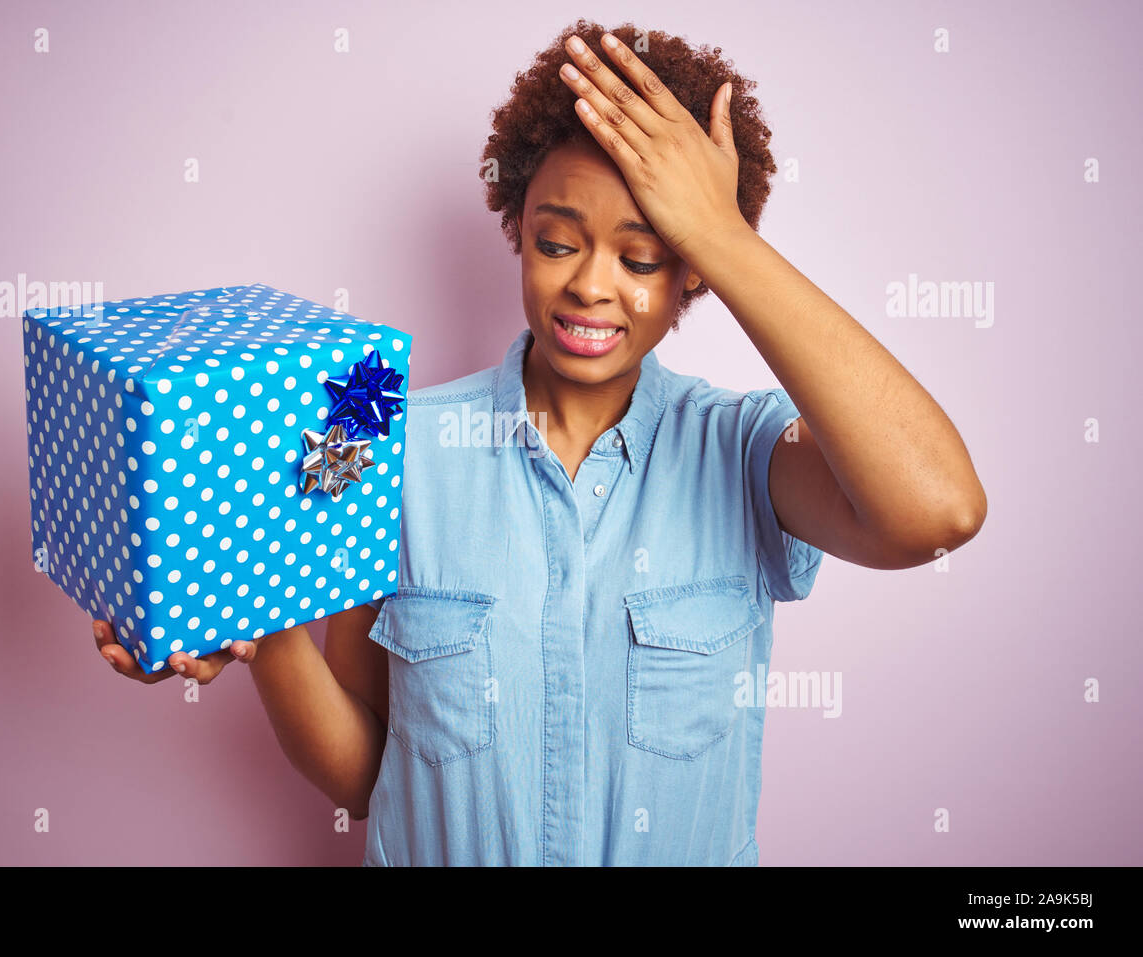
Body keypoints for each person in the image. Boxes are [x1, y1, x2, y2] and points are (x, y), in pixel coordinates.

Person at [92, 20, 987, 865]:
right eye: (558, 241)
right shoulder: (381, 444)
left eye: (643, 257)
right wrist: (262, 632)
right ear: (518, 230)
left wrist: (719, 230)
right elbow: (367, 776)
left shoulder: (746, 451)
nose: (592, 285)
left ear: (691, 280)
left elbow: (937, 511)